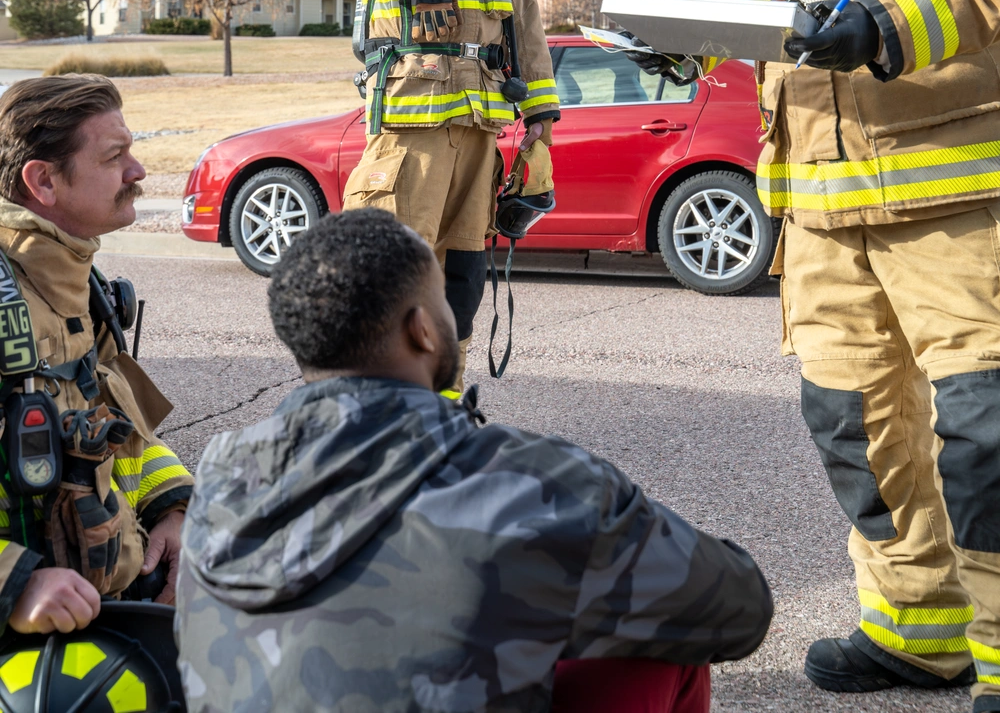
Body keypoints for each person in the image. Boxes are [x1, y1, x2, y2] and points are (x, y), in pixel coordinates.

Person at [176, 208, 772, 712]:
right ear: (421, 330)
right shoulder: (526, 481)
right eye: (442, 298)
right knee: (659, 639)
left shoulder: (220, 477)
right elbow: (740, 608)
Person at [704, 0, 1000, 703]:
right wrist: (682, 33)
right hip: (821, 211)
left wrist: (883, 23)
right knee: (854, 431)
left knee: (988, 437)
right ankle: (917, 632)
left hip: (955, 203)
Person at [345, 0, 559, 391]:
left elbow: (525, 23)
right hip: (414, 122)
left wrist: (540, 119)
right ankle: (382, 410)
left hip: (480, 125)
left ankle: (442, 403)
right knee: (396, 277)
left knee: (462, 282)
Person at [0, 75, 192, 638]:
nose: (138, 171)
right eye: (114, 157)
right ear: (43, 181)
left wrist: (173, 508)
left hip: (109, 612)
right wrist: (15, 584)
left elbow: (126, 434)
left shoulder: (82, 288)